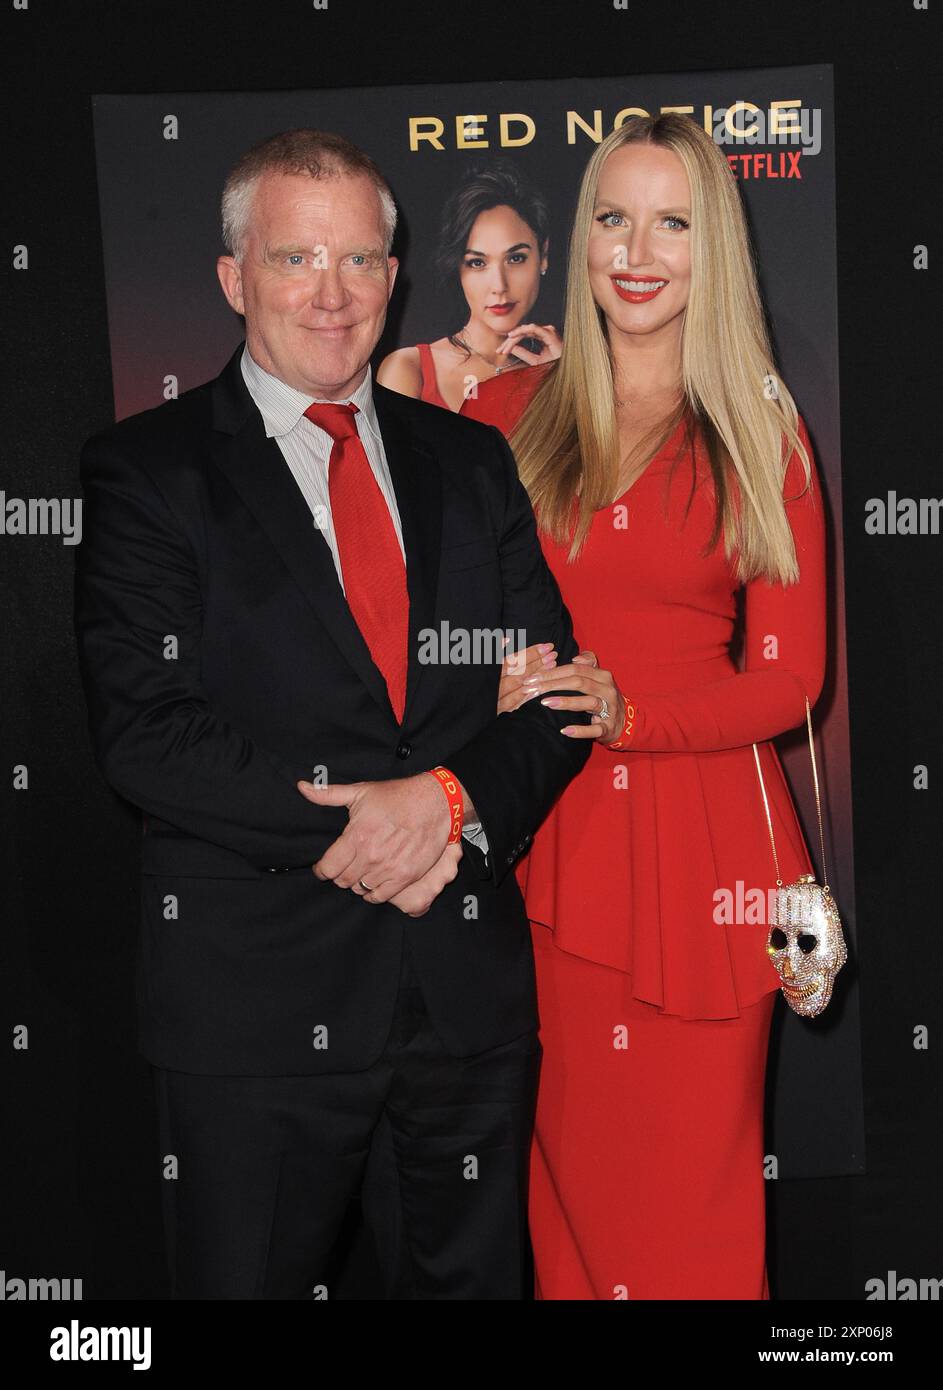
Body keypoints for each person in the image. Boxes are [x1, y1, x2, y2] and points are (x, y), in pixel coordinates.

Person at [73, 127, 593, 1300]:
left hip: (461, 1005)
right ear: (231, 276)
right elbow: (149, 729)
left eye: (360, 260)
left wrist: (448, 802)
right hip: (256, 1012)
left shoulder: (471, 461)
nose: (331, 292)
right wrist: (369, 835)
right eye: (296, 257)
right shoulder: (147, 473)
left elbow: (553, 690)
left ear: (395, 277)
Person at [461, 112, 827, 1300]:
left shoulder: (760, 432)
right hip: (545, 847)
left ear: (711, 244)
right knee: (566, 1216)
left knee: (688, 1225)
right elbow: (432, 642)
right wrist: (493, 674)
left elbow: (788, 679)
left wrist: (630, 718)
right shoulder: (501, 420)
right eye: (613, 216)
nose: (637, 248)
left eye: (672, 221)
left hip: (705, 864)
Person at [378, 161, 561, 411]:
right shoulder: (410, 369)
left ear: (544, 255)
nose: (499, 285)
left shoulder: (564, 372)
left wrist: (561, 384)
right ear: (458, 268)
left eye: (516, 258)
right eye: (477, 263)